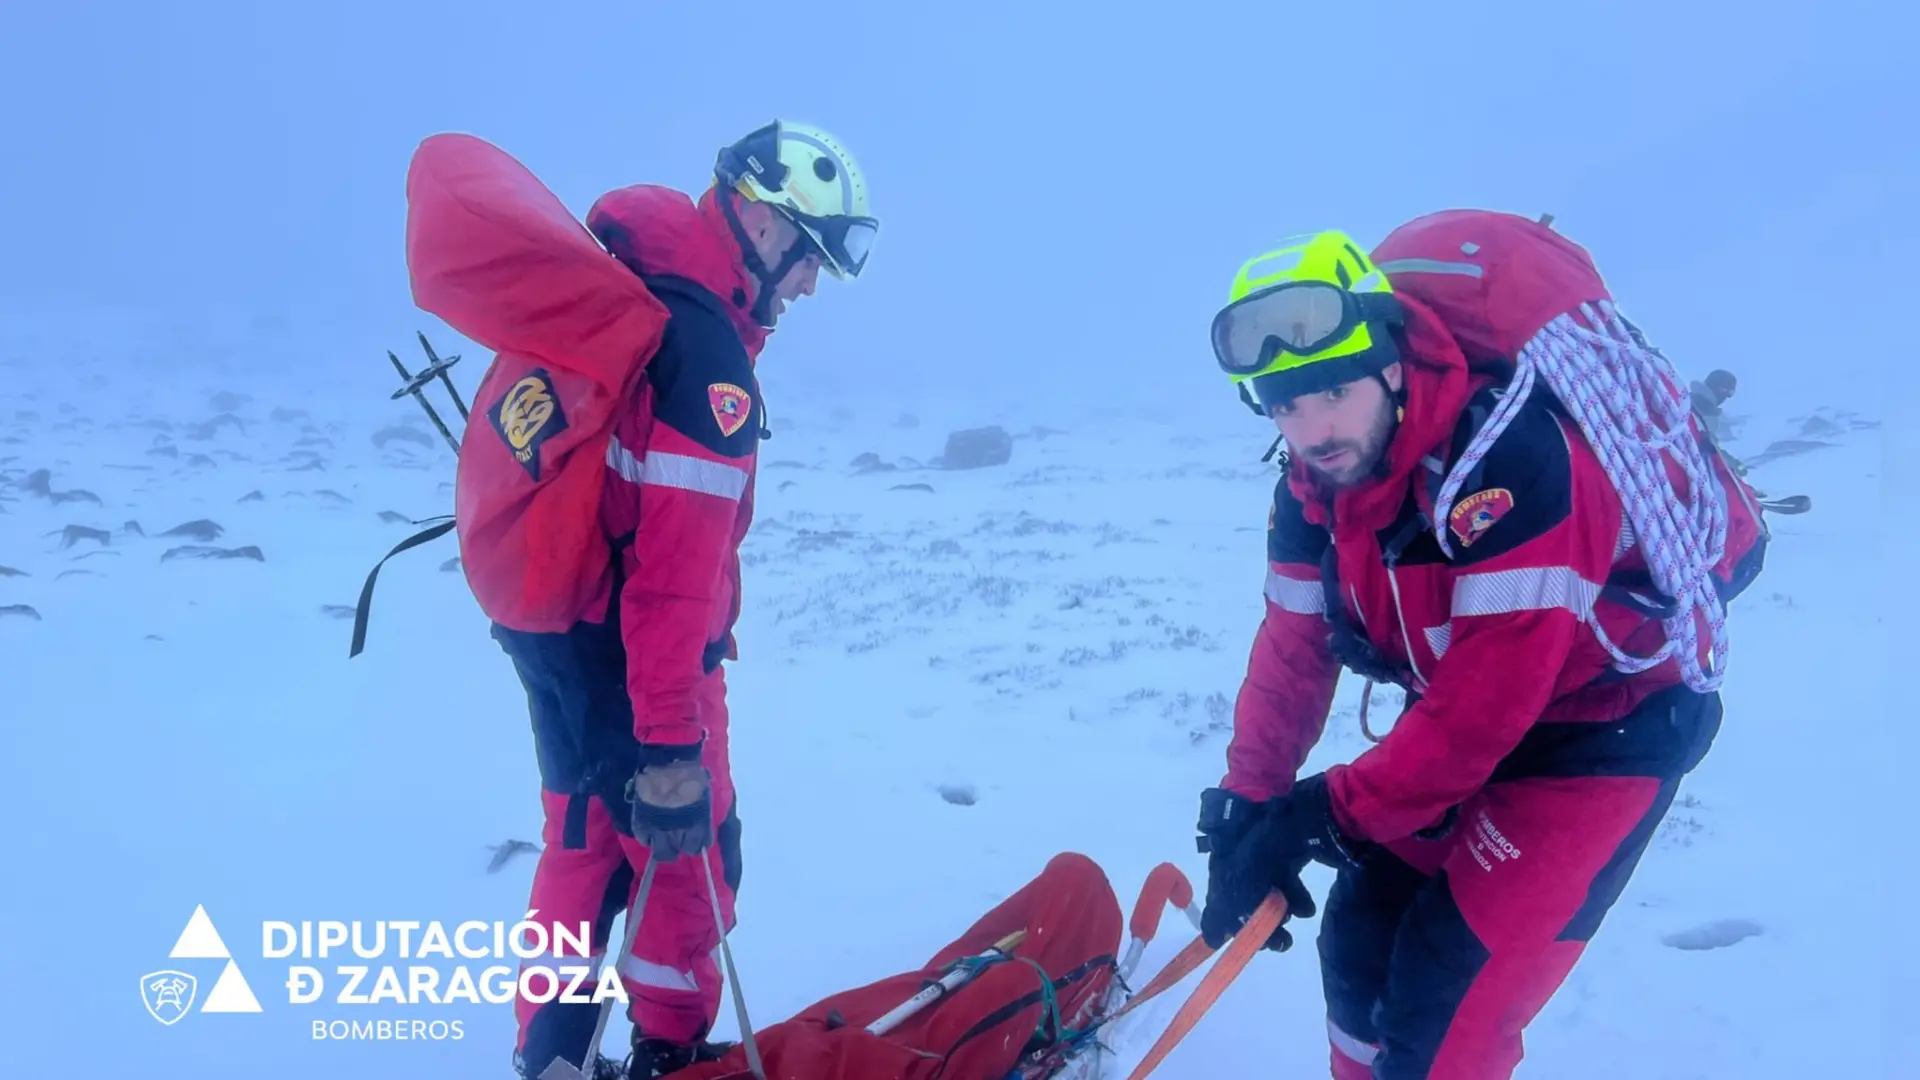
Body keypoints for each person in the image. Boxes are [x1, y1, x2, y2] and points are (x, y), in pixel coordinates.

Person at [1191, 227, 1764, 1079]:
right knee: (1359, 942)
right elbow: (1293, 648)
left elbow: (1490, 704)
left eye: (1332, 393)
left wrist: (1321, 816)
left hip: (1602, 732)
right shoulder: (1315, 487)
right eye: (1284, 405)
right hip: (1462, 730)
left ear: (1389, 364)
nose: (1312, 429)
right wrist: (1249, 805)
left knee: (1447, 1002)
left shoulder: (1511, 465)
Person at [412, 120, 878, 1080]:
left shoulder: (634, 273)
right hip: (638, 658)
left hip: (553, 631)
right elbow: (672, 588)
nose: (808, 286)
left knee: (582, 841)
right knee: (689, 862)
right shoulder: (706, 366)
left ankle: (549, 1055)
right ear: (756, 219)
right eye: (807, 257)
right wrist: (670, 751)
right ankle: (671, 1056)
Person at [1689, 368, 1738, 444]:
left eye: (1731, 392)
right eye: (1724, 389)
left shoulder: (1713, 417)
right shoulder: (1691, 402)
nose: (1726, 396)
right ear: (1714, 385)